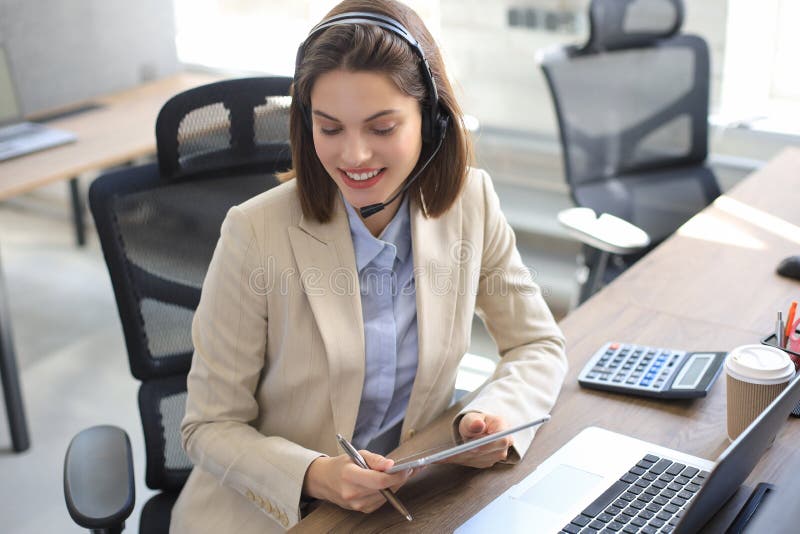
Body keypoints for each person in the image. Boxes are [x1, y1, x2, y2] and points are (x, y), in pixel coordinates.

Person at [170, 1, 567, 532]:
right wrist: (313, 474)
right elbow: (209, 425)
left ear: (431, 121)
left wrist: (489, 423)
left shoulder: (471, 202)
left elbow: (536, 344)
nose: (354, 156)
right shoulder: (255, 232)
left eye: (382, 128)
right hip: (278, 518)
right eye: (329, 128)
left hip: (408, 508)